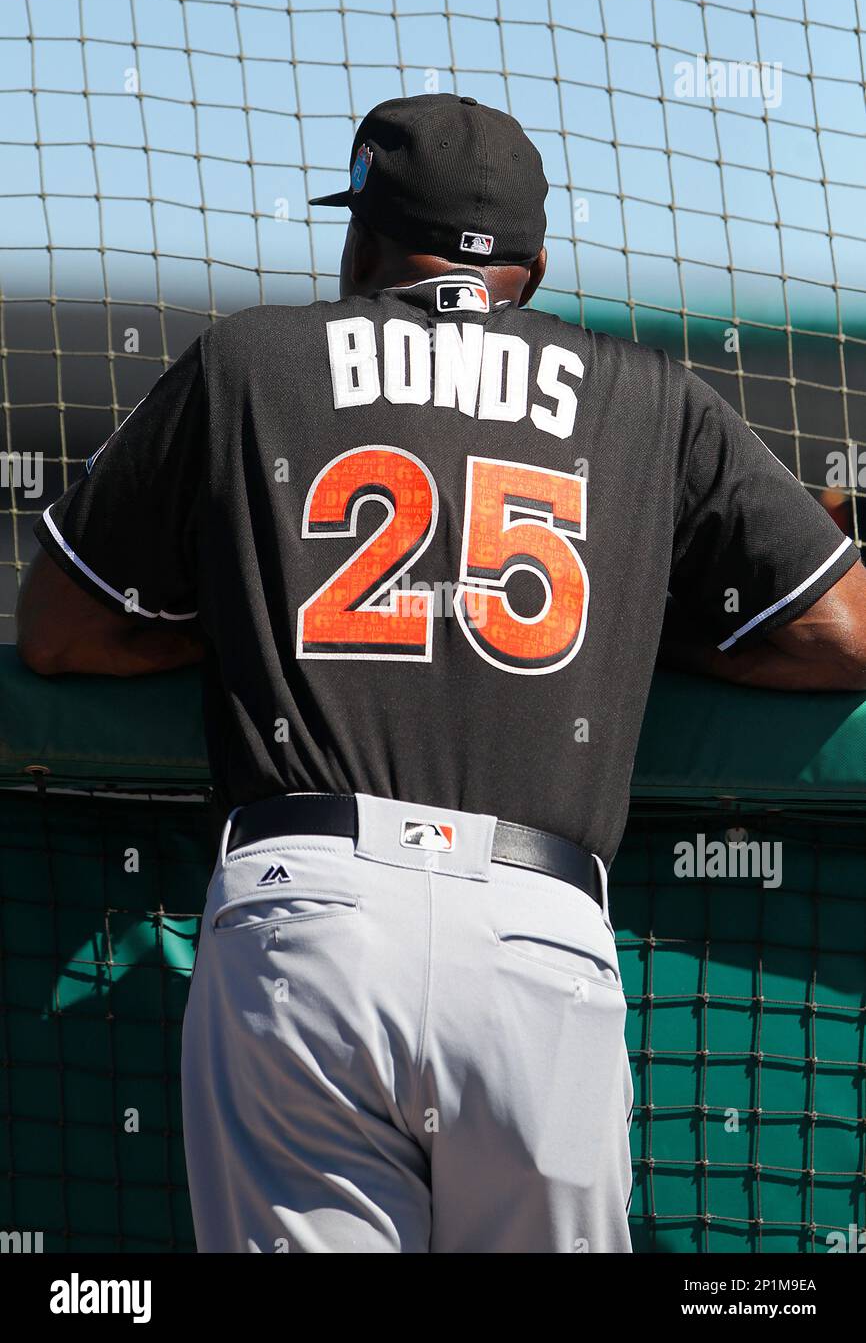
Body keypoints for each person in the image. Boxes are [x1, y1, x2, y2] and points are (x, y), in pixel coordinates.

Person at [16, 94, 866, 1254]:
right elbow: (844, 634)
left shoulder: (248, 360)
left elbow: (56, 630)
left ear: (360, 241)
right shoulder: (644, 392)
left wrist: (232, 619)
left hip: (301, 918)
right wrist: (638, 631)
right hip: (536, 928)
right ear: (536, 265)